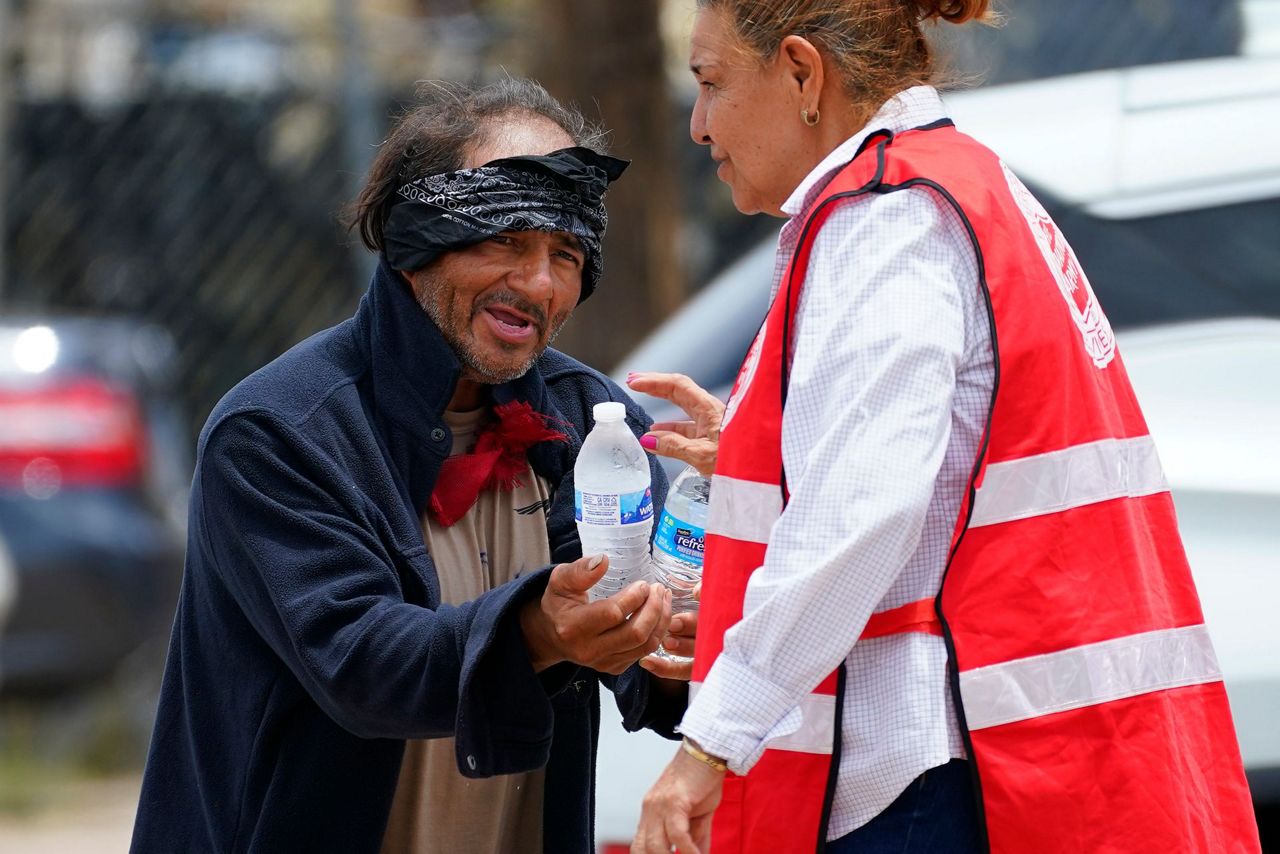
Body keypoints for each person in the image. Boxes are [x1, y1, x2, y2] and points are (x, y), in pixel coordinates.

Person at [629, 2, 1261, 853]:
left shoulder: (888, 217)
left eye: (710, 84)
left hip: (923, 767)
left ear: (803, 73)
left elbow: (863, 515)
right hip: (1000, 753)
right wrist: (763, 449)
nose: (699, 125)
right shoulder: (955, 183)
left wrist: (712, 741)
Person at [130, 77, 693, 854]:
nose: (538, 283)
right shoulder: (278, 433)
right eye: (505, 239)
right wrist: (536, 627)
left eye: (566, 253)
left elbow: (646, 658)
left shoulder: (586, 422)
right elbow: (360, 662)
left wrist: (682, 636)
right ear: (413, 240)